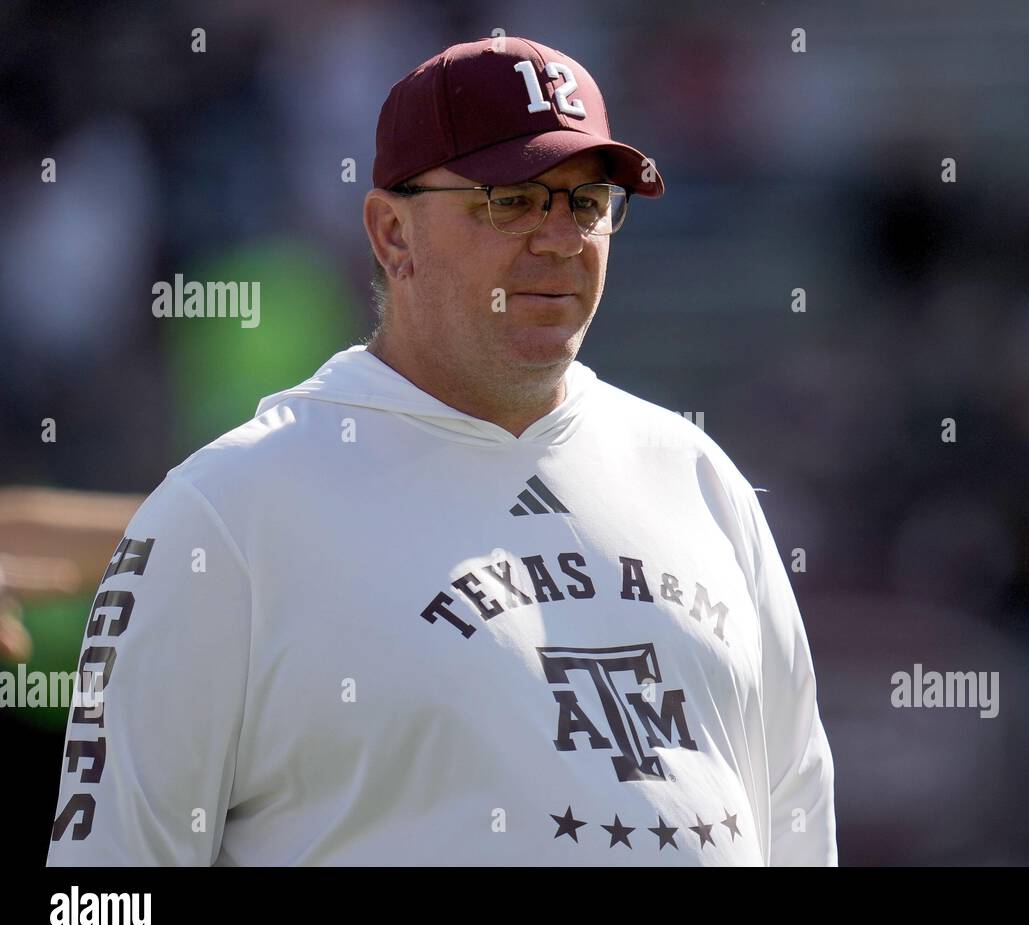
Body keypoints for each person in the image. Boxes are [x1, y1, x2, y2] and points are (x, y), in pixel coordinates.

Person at [46, 35, 836, 866]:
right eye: (511, 200)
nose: (562, 239)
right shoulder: (228, 515)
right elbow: (106, 888)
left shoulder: (698, 477)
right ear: (393, 233)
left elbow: (797, 823)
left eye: (587, 202)